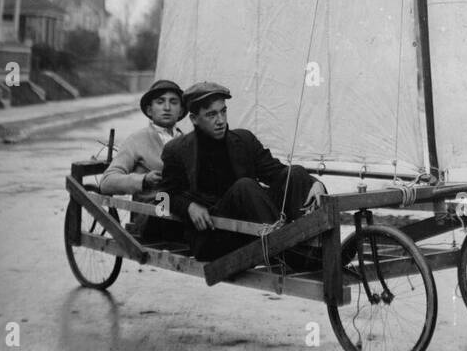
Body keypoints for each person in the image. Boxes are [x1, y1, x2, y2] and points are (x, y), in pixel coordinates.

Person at [159, 81, 326, 263]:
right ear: (194, 119)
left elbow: (279, 173)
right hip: (215, 235)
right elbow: (162, 197)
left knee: (295, 172)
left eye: (223, 111)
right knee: (245, 186)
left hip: (253, 225)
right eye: (211, 115)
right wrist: (188, 206)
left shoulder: (244, 140)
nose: (221, 120)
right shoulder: (176, 150)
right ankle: (290, 253)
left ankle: (316, 247)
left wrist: (314, 182)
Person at [99, 79, 185, 240]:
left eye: (173, 102)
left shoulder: (187, 140)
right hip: (150, 215)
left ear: (181, 111)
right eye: (160, 102)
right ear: (149, 110)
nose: (167, 107)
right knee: (169, 199)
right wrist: (144, 180)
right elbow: (107, 182)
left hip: (182, 209)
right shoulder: (137, 140)